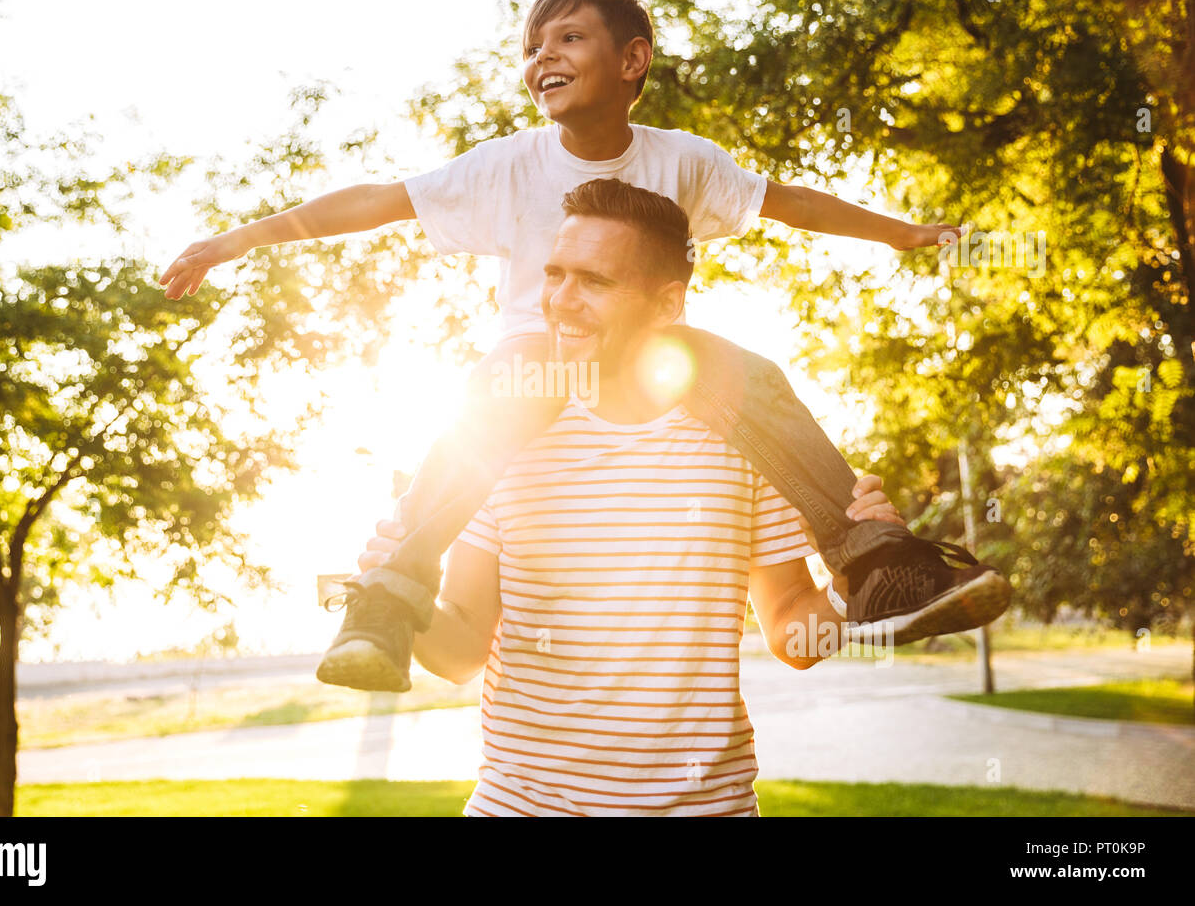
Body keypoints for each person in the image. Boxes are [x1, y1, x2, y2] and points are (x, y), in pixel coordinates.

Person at [157, 0, 1010, 693]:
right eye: (532, 49)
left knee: (756, 377)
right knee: (490, 398)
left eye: (566, 40)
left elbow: (791, 202)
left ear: (633, 59)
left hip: (653, 356)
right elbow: (380, 199)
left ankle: (872, 564)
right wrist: (241, 239)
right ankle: (385, 597)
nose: (542, 60)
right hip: (539, 362)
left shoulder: (685, 159)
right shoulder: (508, 165)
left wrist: (902, 233)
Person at [360, 179, 949, 815]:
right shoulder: (499, 438)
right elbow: (461, 652)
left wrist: (854, 591)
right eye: (554, 274)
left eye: (594, 282)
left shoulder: (745, 440)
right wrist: (406, 599)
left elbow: (791, 638)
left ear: (668, 304)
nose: (561, 301)